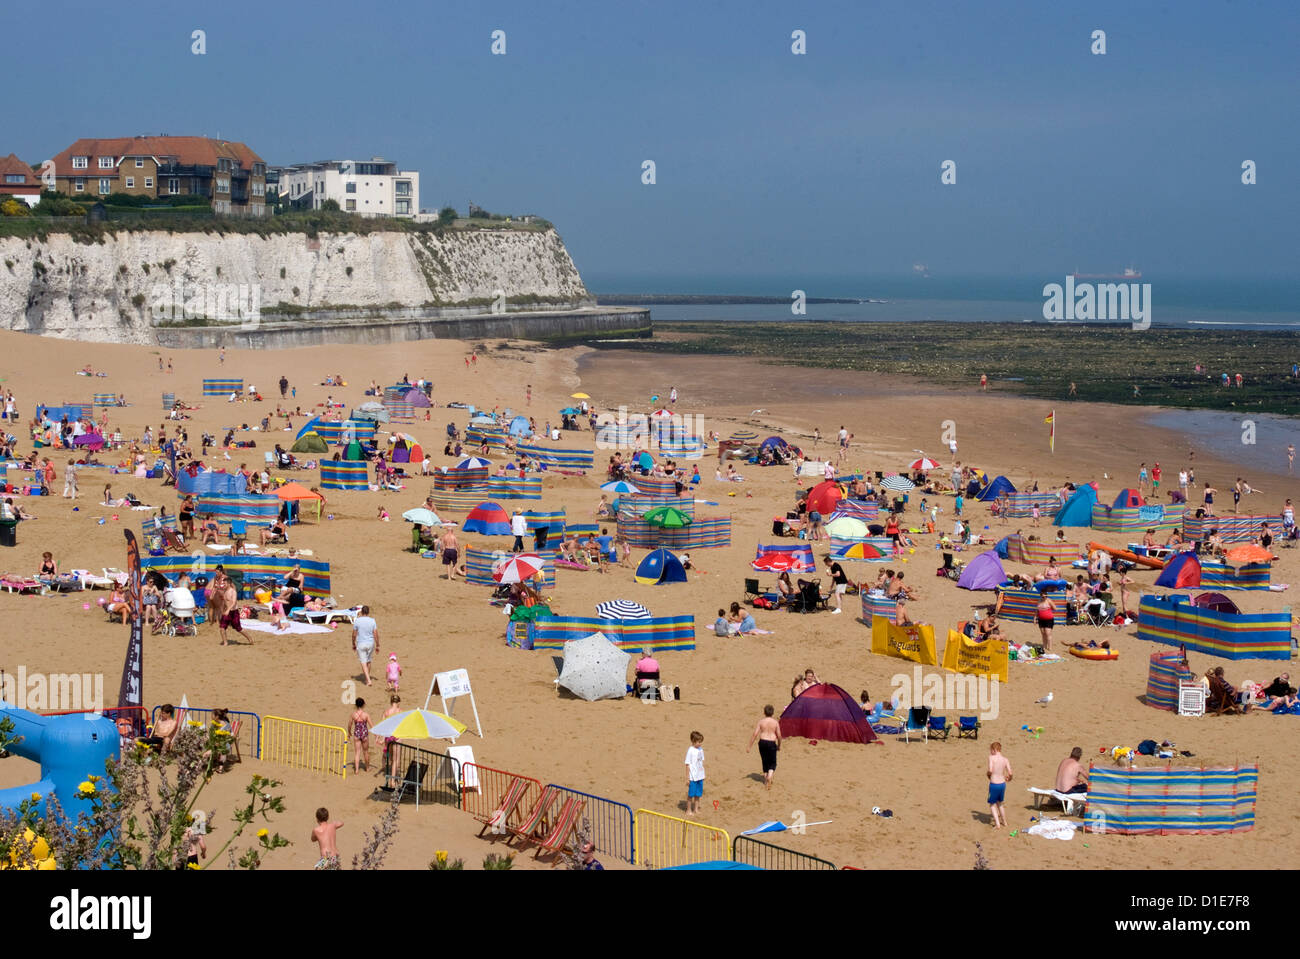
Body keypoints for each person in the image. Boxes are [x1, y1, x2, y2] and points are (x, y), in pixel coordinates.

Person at [746, 705, 781, 789]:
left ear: (764, 712)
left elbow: (755, 734)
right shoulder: (775, 722)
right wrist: (779, 745)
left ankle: (765, 779)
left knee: (764, 760)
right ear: (772, 713)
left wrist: (749, 746)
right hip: (771, 742)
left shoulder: (761, 722)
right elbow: (779, 735)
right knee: (773, 762)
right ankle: (769, 776)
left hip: (762, 742)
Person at [987, 741, 1013, 828]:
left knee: (992, 804)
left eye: (991, 750)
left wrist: (988, 775)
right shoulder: (1005, 759)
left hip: (994, 784)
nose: (990, 752)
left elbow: (990, 770)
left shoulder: (991, 758)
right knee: (1000, 803)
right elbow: (1010, 773)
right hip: (1002, 784)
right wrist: (1009, 778)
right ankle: (1004, 822)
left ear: (994, 750)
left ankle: (998, 824)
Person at [353, 605, 379, 686]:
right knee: (368, 660)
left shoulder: (357, 621)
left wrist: (353, 643)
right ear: (368, 612)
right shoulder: (372, 621)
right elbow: (375, 634)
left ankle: (368, 680)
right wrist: (378, 644)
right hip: (370, 643)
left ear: (361, 612)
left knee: (363, 662)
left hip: (361, 643)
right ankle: (367, 678)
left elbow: (354, 634)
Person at [684, 731, 706, 818]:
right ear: (693, 741)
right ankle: (688, 810)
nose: (700, 744)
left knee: (698, 794)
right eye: (699, 742)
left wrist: (703, 774)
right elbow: (687, 765)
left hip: (700, 775)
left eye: (701, 742)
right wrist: (687, 778)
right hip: (693, 776)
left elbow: (701, 763)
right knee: (691, 794)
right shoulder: (690, 751)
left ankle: (696, 809)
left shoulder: (701, 750)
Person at [348, 698, 372, 774]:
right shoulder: (366, 714)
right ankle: (367, 768)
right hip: (364, 734)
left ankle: (357, 770)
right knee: (366, 752)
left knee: (357, 752)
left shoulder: (353, 714)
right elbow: (371, 725)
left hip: (357, 733)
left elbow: (350, 725)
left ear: (356, 705)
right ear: (363, 704)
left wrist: (349, 732)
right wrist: (376, 735)